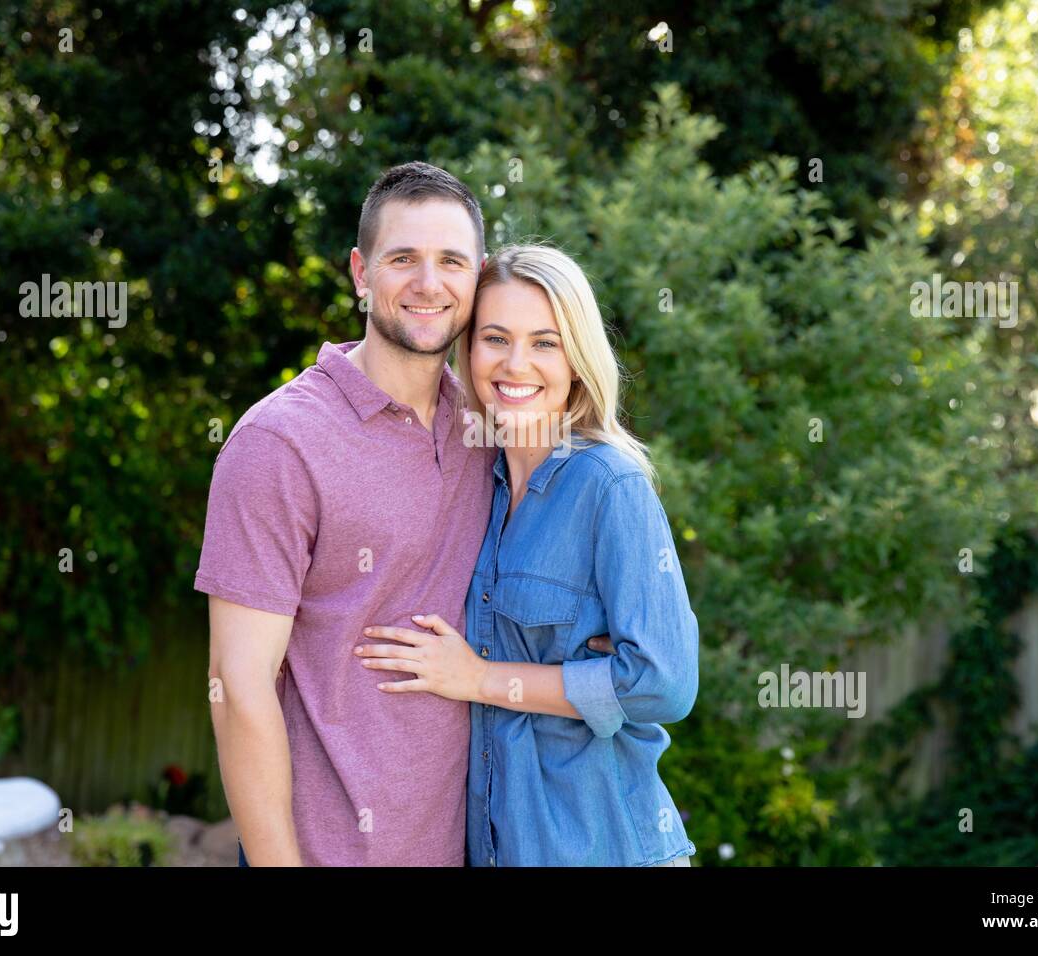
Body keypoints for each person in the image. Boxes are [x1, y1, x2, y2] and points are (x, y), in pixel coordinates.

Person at [359, 244, 700, 866]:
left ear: (577, 358)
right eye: (496, 338)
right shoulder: (473, 485)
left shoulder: (608, 485)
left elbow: (664, 682)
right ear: (468, 350)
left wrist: (481, 678)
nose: (517, 363)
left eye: (545, 342)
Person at [195, 162, 496, 866]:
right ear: (361, 273)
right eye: (403, 259)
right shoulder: (279, 443)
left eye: (451, 261)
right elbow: (238, 686)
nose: (429, 283)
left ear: (477, 278)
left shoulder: (488, 430)